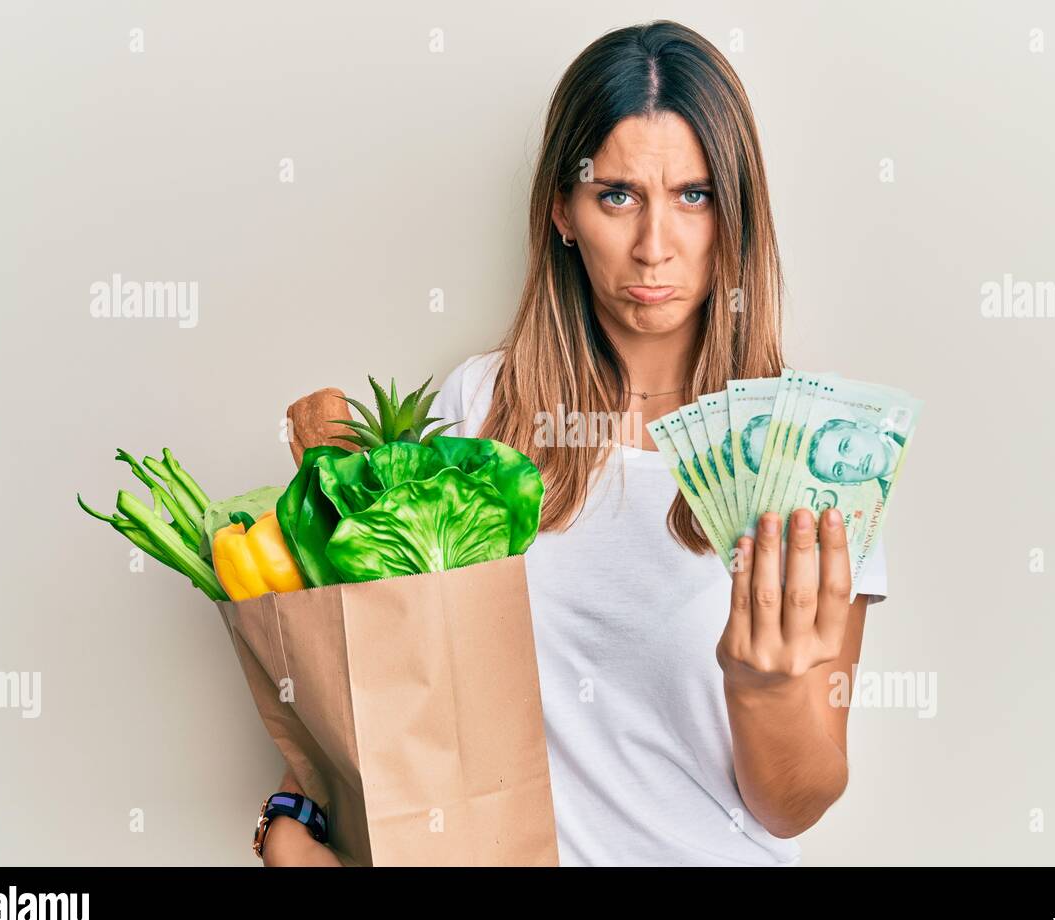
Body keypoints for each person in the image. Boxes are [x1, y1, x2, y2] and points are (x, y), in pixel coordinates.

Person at [263, 18, 890, 867]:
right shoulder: (477, 408)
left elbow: (792, 807)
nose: (654, 245)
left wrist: (764, 688)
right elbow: (414, 706)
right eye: (618, 195)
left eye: (694, 196)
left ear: (734, 215)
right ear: (562, 209)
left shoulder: (812, 453)